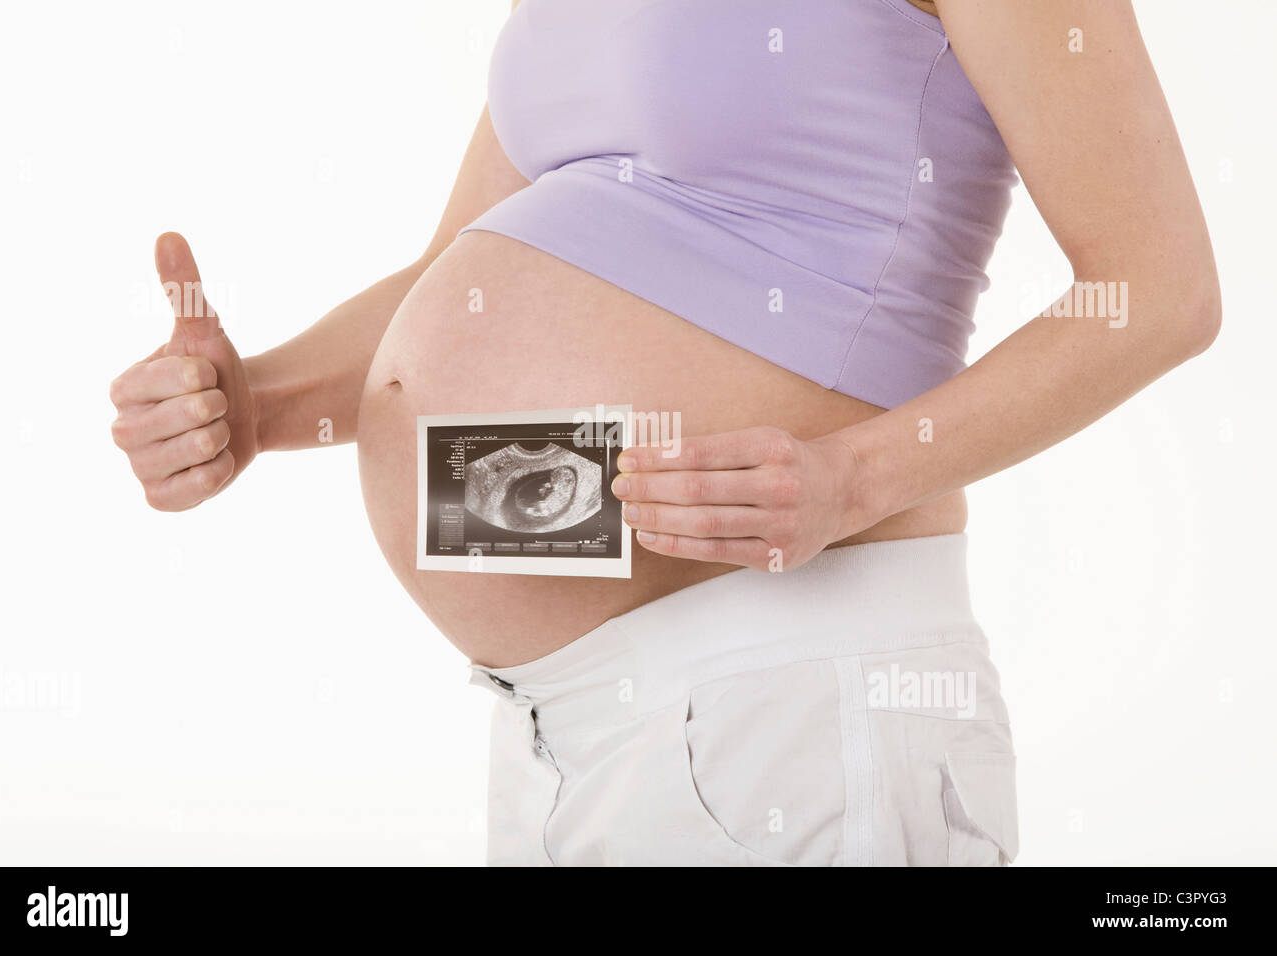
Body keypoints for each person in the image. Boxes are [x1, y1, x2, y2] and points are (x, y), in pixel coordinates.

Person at [109, 0, 1220, 865]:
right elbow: (452, 272)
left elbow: (1156, 289)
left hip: (790, 687)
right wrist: (247, 404)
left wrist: (855, 473)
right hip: (560, 726)